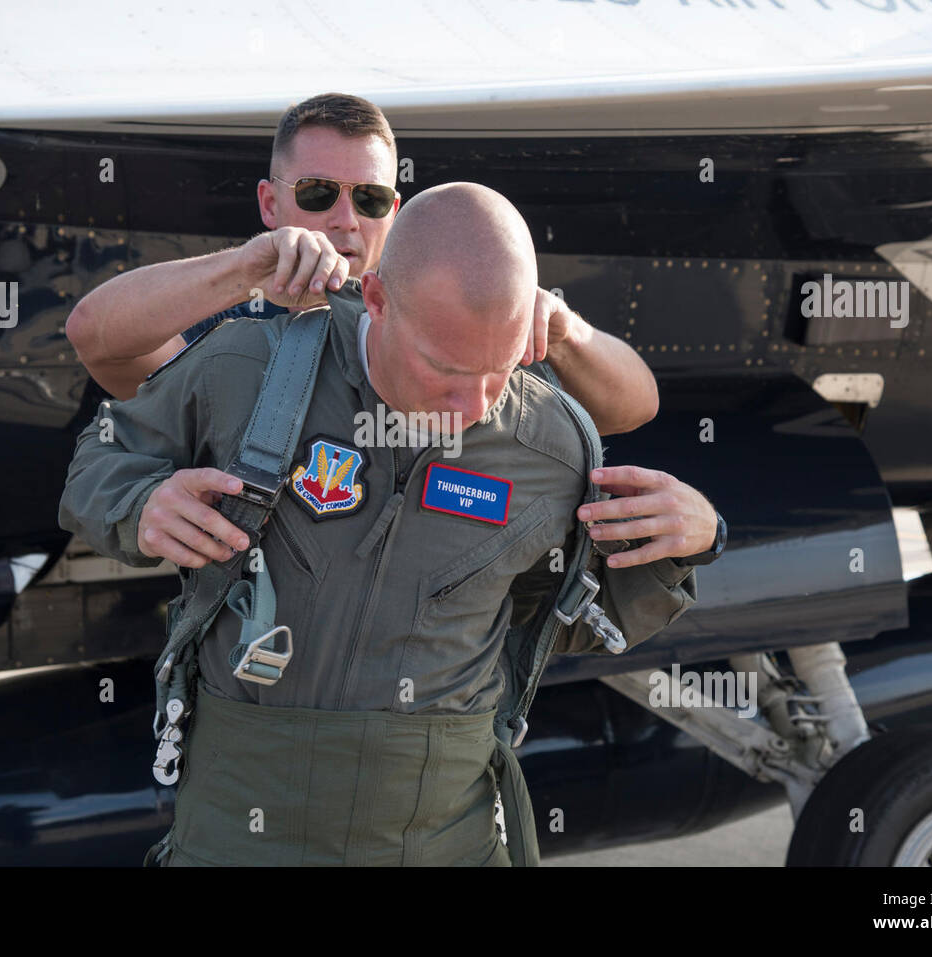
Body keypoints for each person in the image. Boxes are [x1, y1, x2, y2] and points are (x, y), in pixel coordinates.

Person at [59, 182, 717, 866]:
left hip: (440, 839)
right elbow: (102, 457)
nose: (471, 404)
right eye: (445, 368)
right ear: (376, 299)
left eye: (499, 370)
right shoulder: (247, 371)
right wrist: (141, 503)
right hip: (239, 831)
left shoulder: (550, 445)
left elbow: (574, 616)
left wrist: (689, 542)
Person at [64, 92, 657, 439]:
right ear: (271, 204)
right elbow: (96, 338)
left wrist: (564, 331)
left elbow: (633, 409)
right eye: (319, 193)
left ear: (393, 212)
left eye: (369, 199)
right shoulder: (224, 334)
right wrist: (246, 268)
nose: (346, 219)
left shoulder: (446, 318)